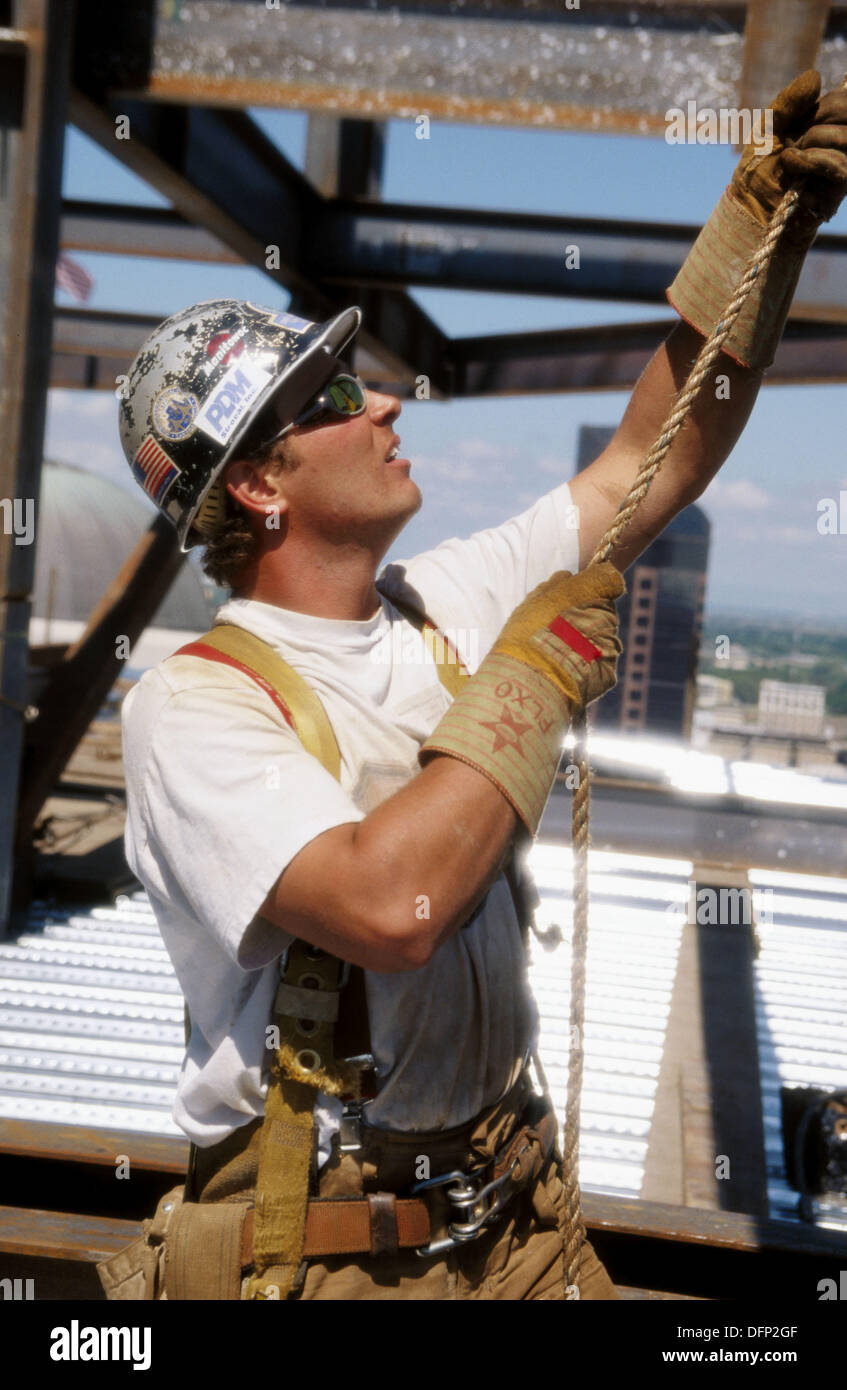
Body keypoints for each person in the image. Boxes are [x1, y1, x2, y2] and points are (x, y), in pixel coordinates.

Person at [117, 70, 847, 1300]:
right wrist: (532, 677)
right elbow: (389, 905)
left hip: (514, 1215)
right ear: (257, 484)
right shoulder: (194, 707)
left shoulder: (442, 602)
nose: (387, 399)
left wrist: (760, 231)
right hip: (342, 1257)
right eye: (338, 398)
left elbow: (646, 467)